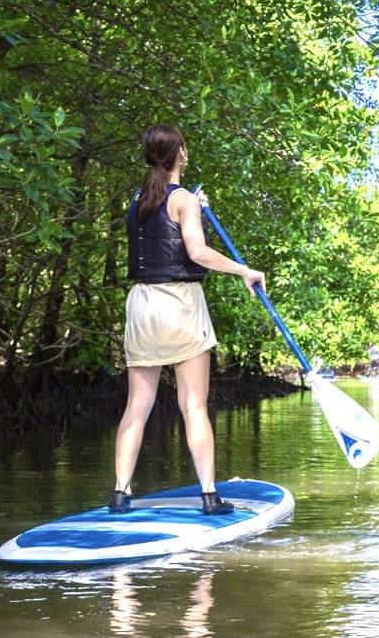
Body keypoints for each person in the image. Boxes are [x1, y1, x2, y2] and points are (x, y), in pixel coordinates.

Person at [110, 124, 266, 515]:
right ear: (180, 152)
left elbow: (165, 227)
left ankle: (120, 493)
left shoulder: (137, 199)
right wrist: (244, 270)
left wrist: (197, 207)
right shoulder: (183, 200)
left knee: (137, 406)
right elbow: (196, 252)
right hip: (180, 305)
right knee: (193, 405)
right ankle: (210, 496)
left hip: (142, 305)